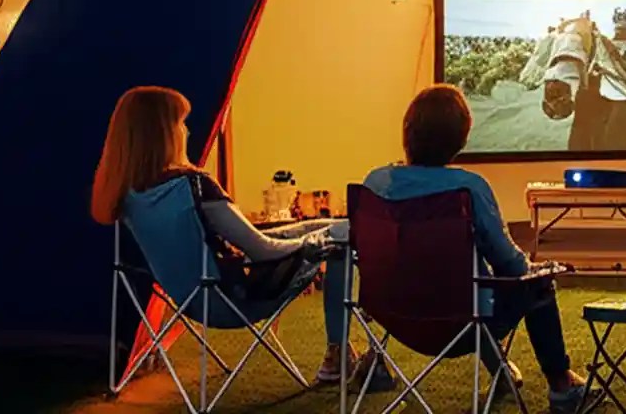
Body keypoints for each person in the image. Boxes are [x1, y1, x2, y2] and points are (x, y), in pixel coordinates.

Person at [88, 86, 378, 388]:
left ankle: (338, 348)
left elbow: (246, 240)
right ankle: (337, 353)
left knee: (330, 227)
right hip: (236, 297)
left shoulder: (125, 195)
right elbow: (262, 250)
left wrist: (318, 230)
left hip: (191, 299)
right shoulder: (194, 185)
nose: (186, 132)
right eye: (181, 124)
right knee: (340, 241)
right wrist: (317, 242)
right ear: (164, 133)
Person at [363, 84, 587, 413]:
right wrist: (540, 270)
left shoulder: (376, 182)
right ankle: (562, 388)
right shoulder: (468, 188)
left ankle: (502, 373)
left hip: (395, 318)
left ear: (407, 131)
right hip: (463, 323)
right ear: (460, 139)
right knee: (533, 284)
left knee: (472, 287)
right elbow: (510, 266)